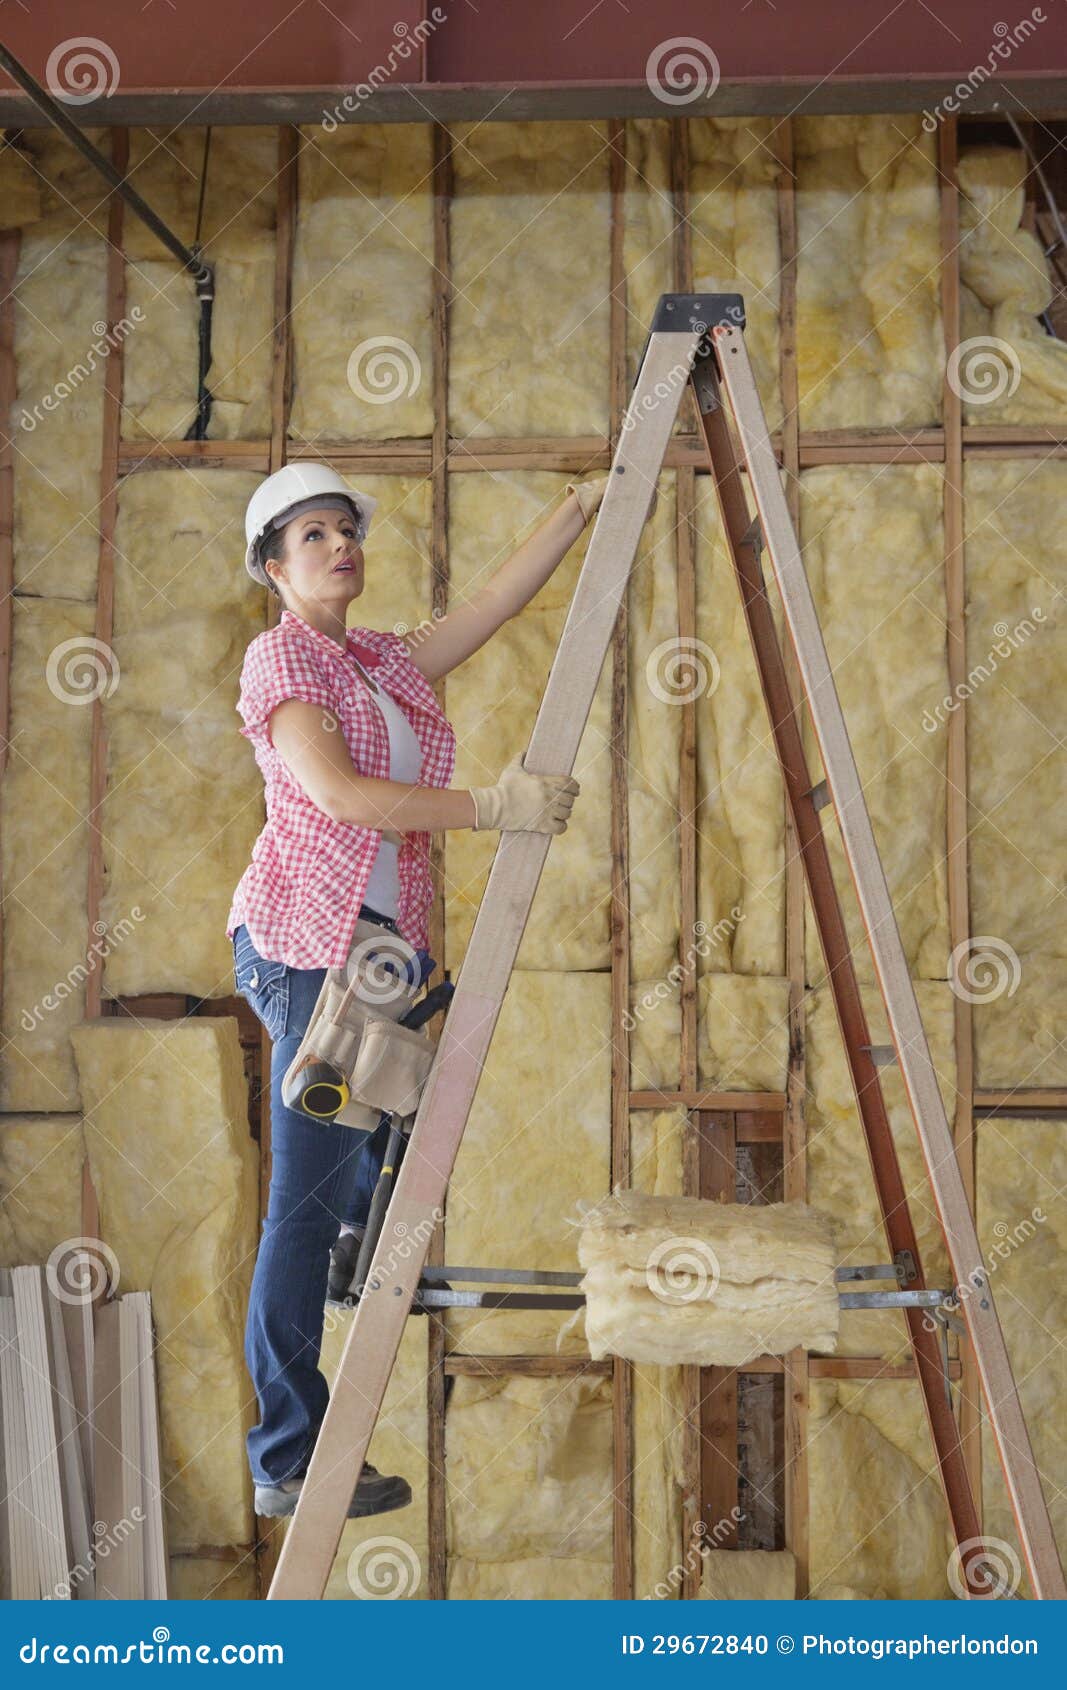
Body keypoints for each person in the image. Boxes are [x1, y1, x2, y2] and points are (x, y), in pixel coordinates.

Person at [227, 461, 607, 1520]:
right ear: (273, 567)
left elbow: (489, 603)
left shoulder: (382, 661)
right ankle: (286, 1457)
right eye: (311, 536)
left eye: (345, 530)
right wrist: (492, 805)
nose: (338, 546)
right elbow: (341, 795)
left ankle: (341, 1270)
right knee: (303, 1202)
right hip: (306, 944)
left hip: (381, 954)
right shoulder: (281, 659)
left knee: (355, 1181)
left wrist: (578, 505)